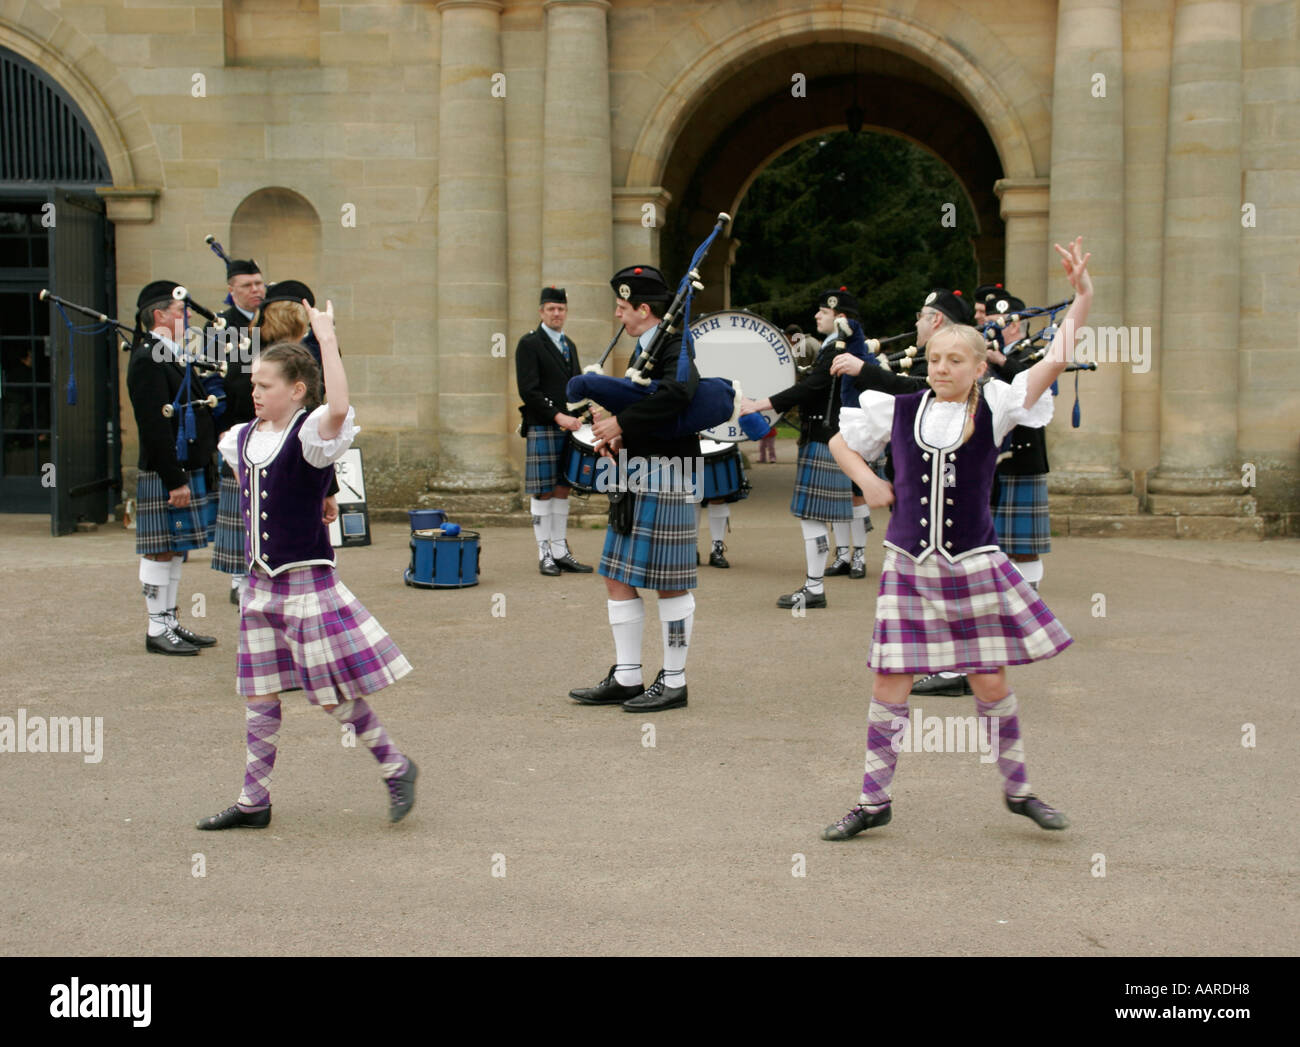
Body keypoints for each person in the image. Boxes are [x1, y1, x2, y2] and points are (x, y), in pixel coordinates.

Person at [818, 237, 1092, 840]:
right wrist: (869, 482)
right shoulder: (898, 405)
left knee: (989, 681)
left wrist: (1082, 296)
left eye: (954, 360)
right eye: (936, 358)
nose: (941, 367)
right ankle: (872, 800)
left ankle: (1019, 791)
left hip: (971, 565)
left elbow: (1055, 359)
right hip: (908, 565)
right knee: (888, 680)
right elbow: (838, 441)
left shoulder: (997, 405)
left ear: (976, 366)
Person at [197, 300, 417, 829]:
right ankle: (255, 801)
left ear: (296, 390)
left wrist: (324, 334)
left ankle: (395, 764)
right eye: (253, 383)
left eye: (266, 384)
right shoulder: (241, 439)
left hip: (305, 583)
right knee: (258, 694)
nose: (255, 391)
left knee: (330, 695)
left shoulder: (312, 431)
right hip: (258, 584)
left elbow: (338, 406)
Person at [568, 265, 700, 712]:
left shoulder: (677, 344)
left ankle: (675, 680)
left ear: (644, 310)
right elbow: (646, 405)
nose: (617, 316)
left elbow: (679, 394)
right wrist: (620, 436)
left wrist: (621, 422)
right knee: (616, 575)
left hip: (669, 470)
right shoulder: (644, 349)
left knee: (670, 582)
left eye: (623, 308)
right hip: (637, 470)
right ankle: (627, 676)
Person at [914, 291, 1054, 697]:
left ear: (1013, 320)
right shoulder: (967, 355)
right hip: (989, 461)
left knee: (1021, 549)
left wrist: (995, 360)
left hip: (1021, 458)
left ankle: (1021, 620)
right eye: (980, 314)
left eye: (989, 314)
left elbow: (1036, 380)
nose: (985, 320)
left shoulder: (1026, 349)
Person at [741, 288, 867, 607]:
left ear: (839, 317)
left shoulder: (841, 346)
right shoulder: (835, 346)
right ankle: (815, 583)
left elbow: (813, 387)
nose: (816, 315)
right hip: (824, 437)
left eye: (822, 312)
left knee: (811, 516)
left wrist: (760, 404)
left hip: (825, 439)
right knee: (813, 516)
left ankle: (814, 587)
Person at [125, 280, 219, 655]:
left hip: (184, 467)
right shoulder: (148, 359)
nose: (189, 317)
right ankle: (156, 627)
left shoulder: (171, 353)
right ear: (160, 315)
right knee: (159, 550)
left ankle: (169, 620)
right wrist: (174, 479)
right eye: (182, 312)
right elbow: (152, 426)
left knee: (176, 549)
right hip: (167, 471)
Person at [514, 286, 592, 575]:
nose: (557, 313)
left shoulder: (569, 344)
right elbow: (529, 391)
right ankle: (543, 552)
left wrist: (587, 409)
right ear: (541, 312)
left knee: (563, 488)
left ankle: (560, 550)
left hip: (569, 427)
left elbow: (575, 387)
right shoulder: (529, 343)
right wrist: (559, 416)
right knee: (543, 493)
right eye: (551, 309)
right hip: (544, 425)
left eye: (561, 309)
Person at [208, 258, 264, 603]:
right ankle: (237, 577)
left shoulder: (269, 322)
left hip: (268, 425)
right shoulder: (219, 326)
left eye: (259, 283)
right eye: (247, 285)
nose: (256, 290)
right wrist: (222, 428)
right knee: (236, 503)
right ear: (232, 290)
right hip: (236, 427)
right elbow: (213, 381)